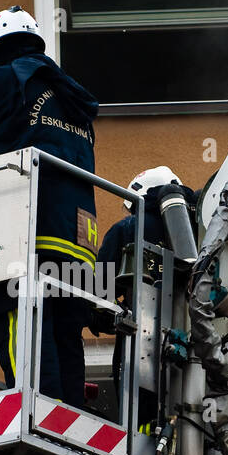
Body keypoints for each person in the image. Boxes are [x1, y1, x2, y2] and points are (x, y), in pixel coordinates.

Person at [0, 6, 100, 408]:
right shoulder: (71, 97)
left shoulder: (8, 79)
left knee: (19, 317)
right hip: (78, 243)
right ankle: (67, 421)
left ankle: (36, 414)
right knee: (65, 332)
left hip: (25, 236)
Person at [93, 166, 199, 431]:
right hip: (197, 340)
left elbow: (99, 290)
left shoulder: (128, 228)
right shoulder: (200, 230)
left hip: (140, 336)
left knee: (138, 412)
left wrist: (99, 317)